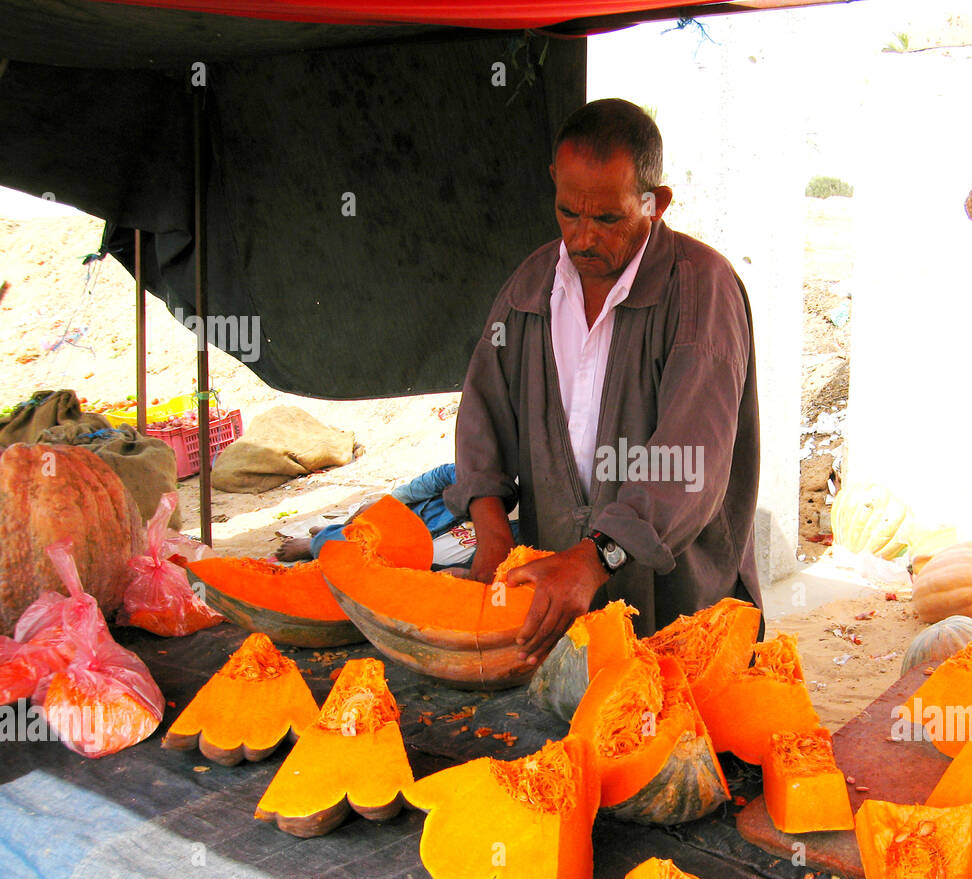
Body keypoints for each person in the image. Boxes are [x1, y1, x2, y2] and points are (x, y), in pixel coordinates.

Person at [444, 98, 762, 666]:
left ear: (654, 203)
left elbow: (691, 463)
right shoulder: (531, 286)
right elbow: (483, 410)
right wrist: (491, 525)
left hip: (683, 608)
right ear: (553, 185)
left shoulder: (700, 290)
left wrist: (594, 559)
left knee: (676, 737)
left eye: (608, 219)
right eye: (569, 213)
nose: (583, 238)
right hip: (564, 616)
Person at [274, 463, 518, 567]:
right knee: (341, 542)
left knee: (357, 554)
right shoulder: (472, 476)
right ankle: (318, 542)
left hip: (421, 564)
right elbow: (441, 476)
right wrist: (393, 501)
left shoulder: (524, 530)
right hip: (408, 523)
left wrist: (468, 575)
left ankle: (335, 531)